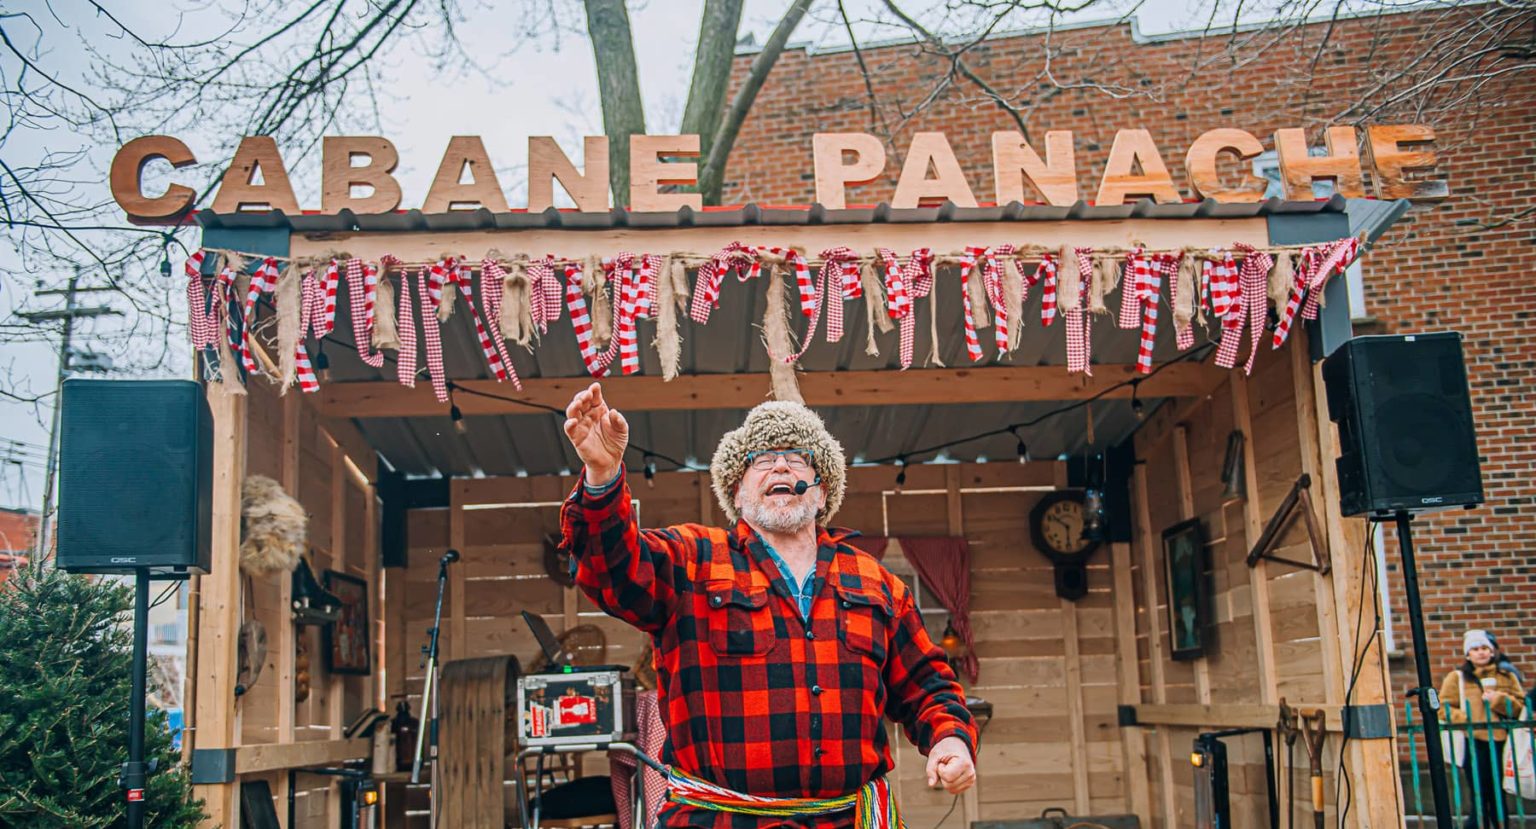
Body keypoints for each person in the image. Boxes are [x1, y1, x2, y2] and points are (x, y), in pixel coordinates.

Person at [560, 384, 977, 829]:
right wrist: (602, 477)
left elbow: (926, 684)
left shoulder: (876, 582)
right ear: (737, 493)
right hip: (717, 821)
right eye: (760, 459)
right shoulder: (693, 559)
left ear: (821, 493)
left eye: (798, 458)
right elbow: (615, 572)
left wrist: (949, 740)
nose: (780, 463)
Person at [1441, 629, 1527, 829]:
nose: (1480, 653)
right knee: (1479, 793)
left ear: (1491, 652)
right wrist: (1465, 719)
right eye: (1475, 649)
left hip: (1502, 742)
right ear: (1467, 654)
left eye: (1484, 648)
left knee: (1499, 793)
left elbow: (1520, 708)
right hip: (1473, 742)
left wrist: (1498, 699)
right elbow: (1443, 708)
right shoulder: (1458, 678)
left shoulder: (1506, 676)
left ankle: (1500, 825)